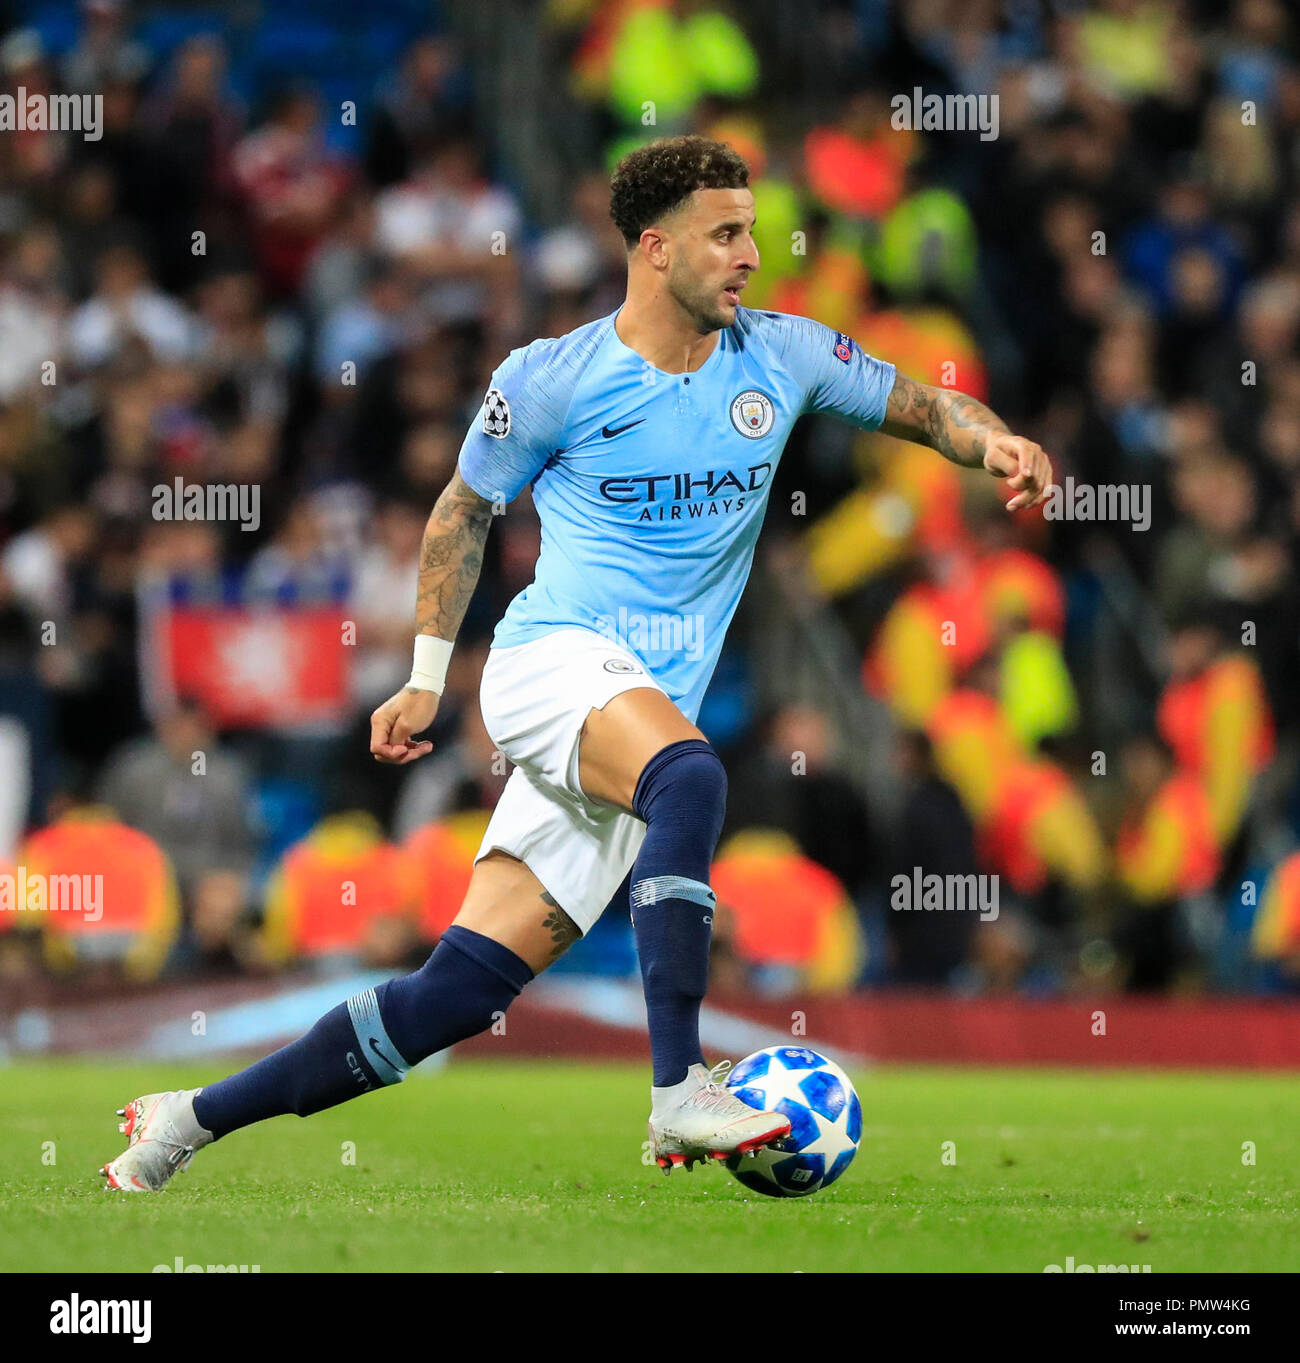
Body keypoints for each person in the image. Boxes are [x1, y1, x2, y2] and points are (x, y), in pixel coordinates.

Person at [101, 136, 1051, 1192]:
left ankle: (186, 1118)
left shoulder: (783, 356)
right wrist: (424, 676)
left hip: (634, 714)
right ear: (654, 248)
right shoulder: (554, 377)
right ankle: (678, 1091)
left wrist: (995, 442)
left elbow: (921, 407)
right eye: (725, 234)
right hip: (551, 664)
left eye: (751, 229)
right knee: (691, 774)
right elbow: (463, 509)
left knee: (451, 999)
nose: (751, 252)